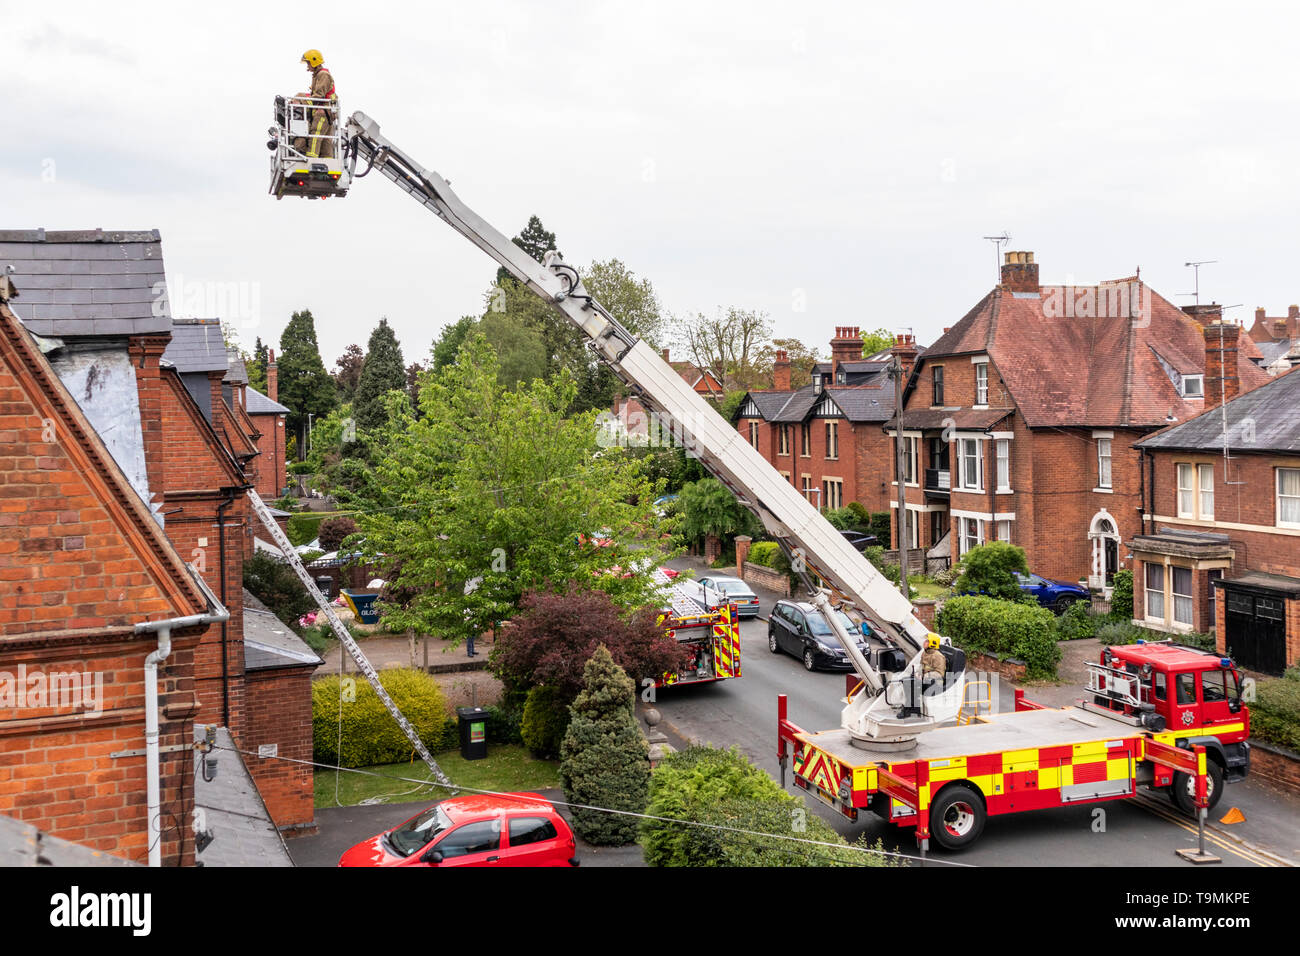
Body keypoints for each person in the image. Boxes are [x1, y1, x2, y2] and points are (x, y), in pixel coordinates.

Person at [292, 49, 337, 159]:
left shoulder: (323, 75)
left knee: (315, 136)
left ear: (314, 62)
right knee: (325, 142)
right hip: (327, 112)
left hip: (323, 112)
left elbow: (319, 96)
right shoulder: (319, 75)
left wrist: (301, 102)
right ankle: (327, 161)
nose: (307, 67)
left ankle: (311, 159)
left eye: (308, 63)